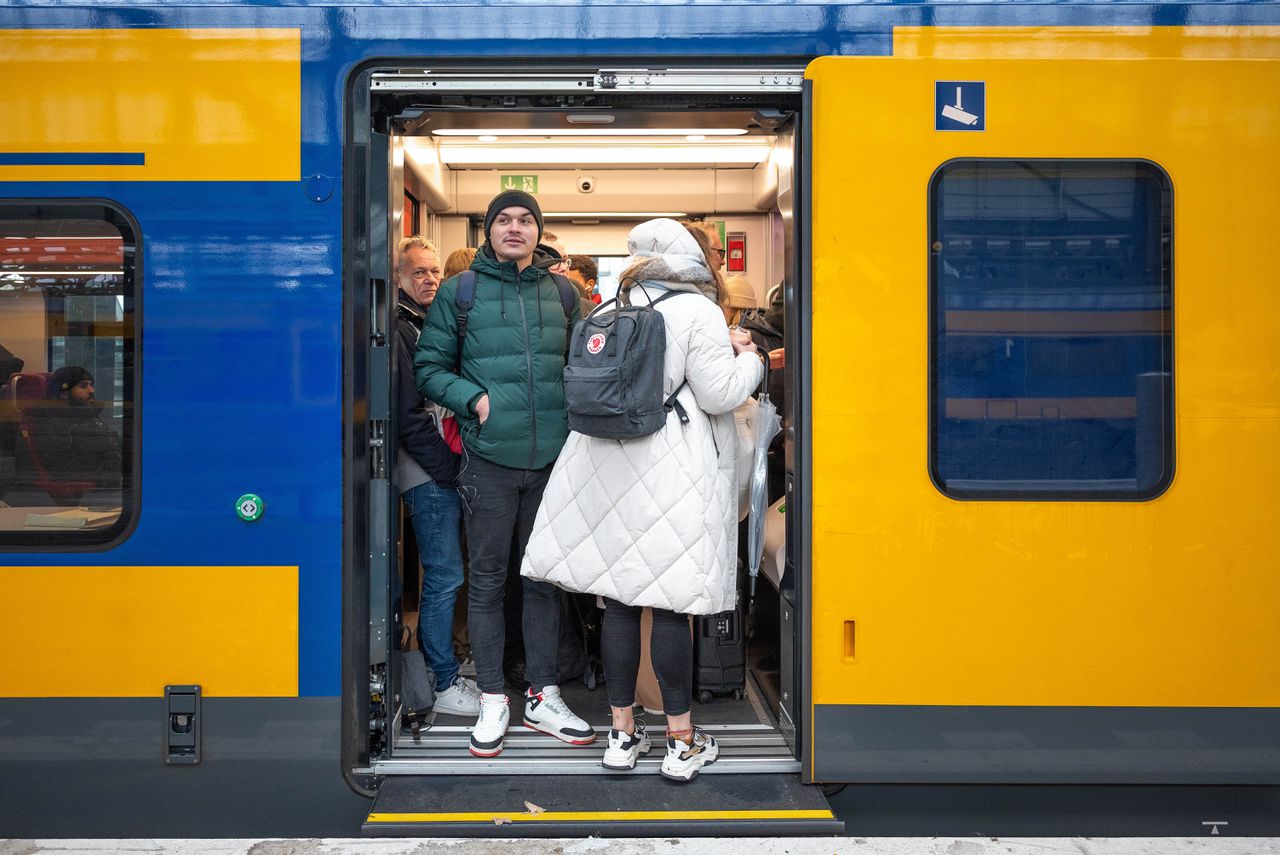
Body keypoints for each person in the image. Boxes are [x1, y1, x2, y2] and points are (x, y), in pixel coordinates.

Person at [522, 218, 762, 781]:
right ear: (692, 261)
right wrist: (746, 356)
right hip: (669, 471)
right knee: (672, 605)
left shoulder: (608, 309)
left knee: (621, 604)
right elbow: (719, 392)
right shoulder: (699, 311)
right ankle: (682, 742)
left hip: (605, 468)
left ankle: (622, 734)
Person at [415, 190, 592, 757]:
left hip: (552, 463)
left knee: (542, 582)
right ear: (488, 231)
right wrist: (476, 401)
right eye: (504, 220)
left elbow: (595, 360)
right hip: (488, 463)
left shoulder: (564, 293)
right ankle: (494, 697)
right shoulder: (459, 292)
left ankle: (543, 695)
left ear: (538, 232)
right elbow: (429, 368)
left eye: (525, 221)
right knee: (489, 583)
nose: (514, 228)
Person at [393, 236, 482, 717]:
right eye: (419, 273)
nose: (429, 280)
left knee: (447, 573)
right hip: (426, 471)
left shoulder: (425, 323)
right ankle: (443, 681)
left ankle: (440, 671)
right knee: (445, 574)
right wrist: (449, 471)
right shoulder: (402, 330)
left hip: (437, 467)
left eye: (434, 272)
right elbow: (409, 418)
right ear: (399, 278)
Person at [25, 366, 122, 491]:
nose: (91, 390)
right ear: (64, 393)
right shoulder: (51, 424)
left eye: (91, 385)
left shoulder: (87, 416)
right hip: (95, 490)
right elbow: (61, 469)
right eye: (83, 386)